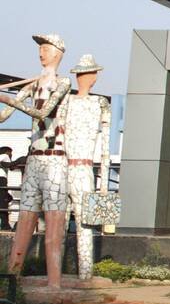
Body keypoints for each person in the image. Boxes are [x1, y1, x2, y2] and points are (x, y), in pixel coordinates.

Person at [0, 33, 73, 288]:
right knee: (23, 226)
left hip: (55, 160)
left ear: (57, 52)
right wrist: (9, 99)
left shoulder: (63, 83)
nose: (41, 52)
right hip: (34, 160)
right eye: (40, 48)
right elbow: (3, 117)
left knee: (54, 229)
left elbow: (43, 112)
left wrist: (7, 97)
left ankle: (54, 285)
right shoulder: (30, 86)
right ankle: (11, 281)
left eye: (45, 47)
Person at [61, 54, 113, 281]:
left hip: (83, 168)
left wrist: (103, 179)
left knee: (84, 222)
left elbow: (105, 144)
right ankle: (57, 273)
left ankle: (85, 273)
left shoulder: (100, 102)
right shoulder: (66, 102)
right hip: (66, 166)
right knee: (59, 222)